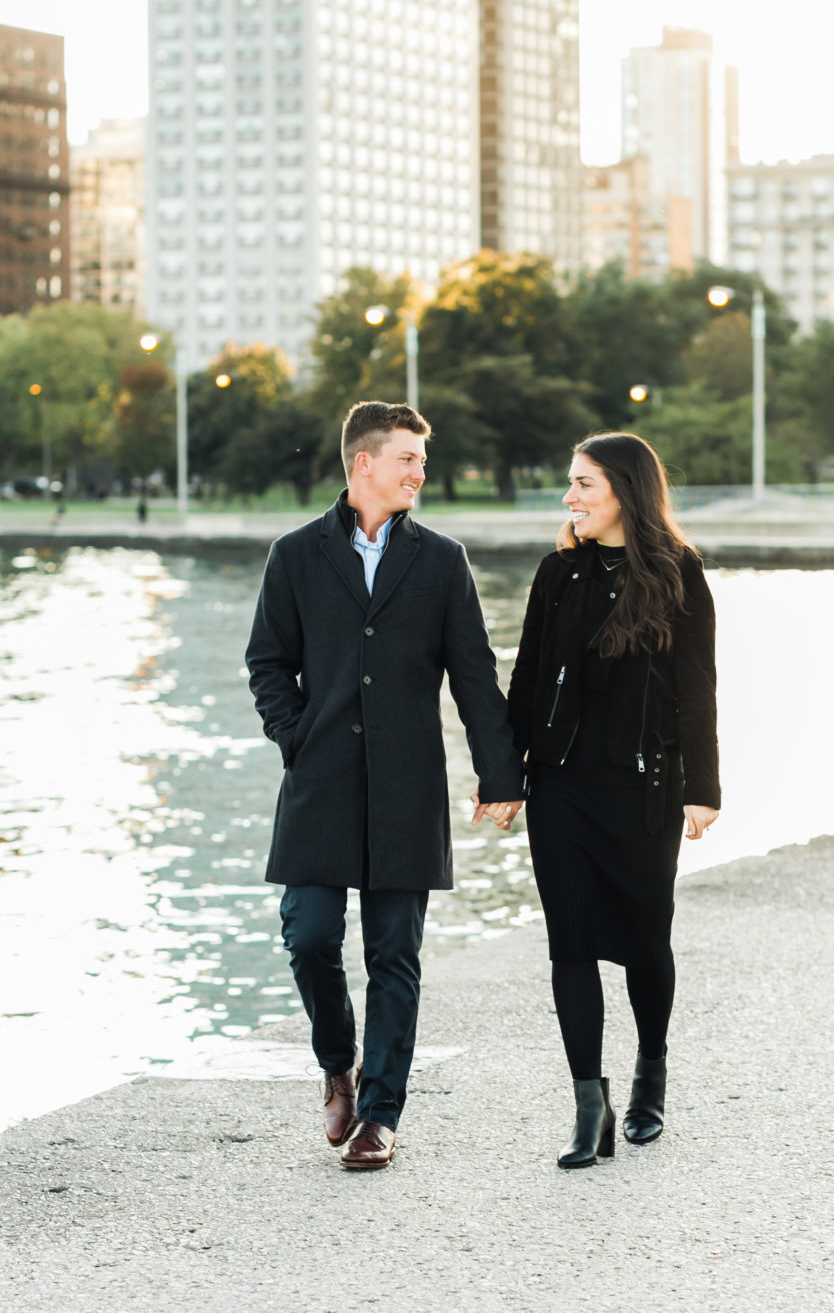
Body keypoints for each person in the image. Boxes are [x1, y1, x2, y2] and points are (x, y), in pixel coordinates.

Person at [246, 400, 523, 1170]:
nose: (419, 473)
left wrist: (500, 775)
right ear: (363, 463)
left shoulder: (440, 560)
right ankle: (338, 1064)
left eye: (422, 462)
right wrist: (295, 735)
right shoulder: (294, 555)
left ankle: (379, 1115)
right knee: (307, 937)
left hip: (408, 787)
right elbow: (267, 663)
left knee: (393, 955)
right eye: (407, 459)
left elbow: (473, 674)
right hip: (319, 780)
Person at [501, 431, 720, 1169]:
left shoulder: (678, 573)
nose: (569, 497)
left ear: (625, 490)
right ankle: (587, 1106)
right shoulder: (557, 573)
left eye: (583, 483)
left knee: (645, 942)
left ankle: (649, 1075)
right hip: (559, 787)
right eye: (570, 483)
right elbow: (527, 681)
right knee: (569, 944)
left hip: (642, 789)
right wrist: (502, 776)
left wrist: (702, 788)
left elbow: (696, 688)